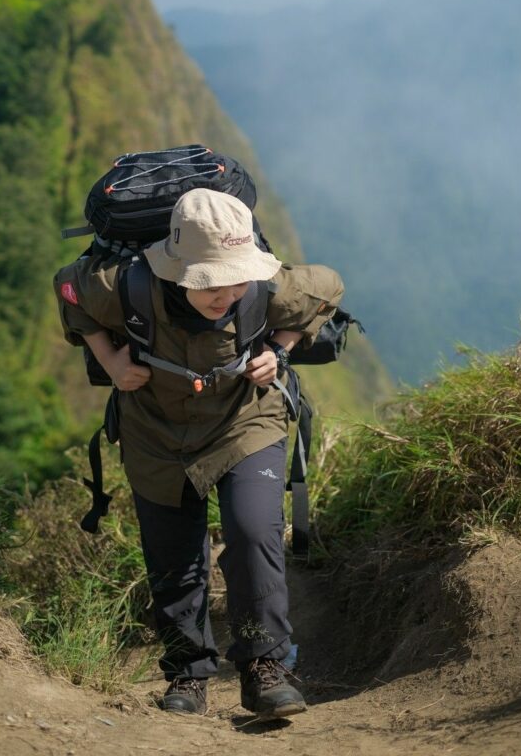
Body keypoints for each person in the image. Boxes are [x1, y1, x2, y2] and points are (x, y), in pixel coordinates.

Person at [54, 188, 344, 719]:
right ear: (175, 266)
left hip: (244, 423)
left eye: (237, 278)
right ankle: (187, 674)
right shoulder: (126, 286)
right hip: (155, 431)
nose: (227, 292)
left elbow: (327, 286)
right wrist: (111, 362)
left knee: (254, 531)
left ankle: (265, 668)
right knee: (173, 555)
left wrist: (277, 352)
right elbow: (69, 289)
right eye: (210, 281)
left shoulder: (265, 287)